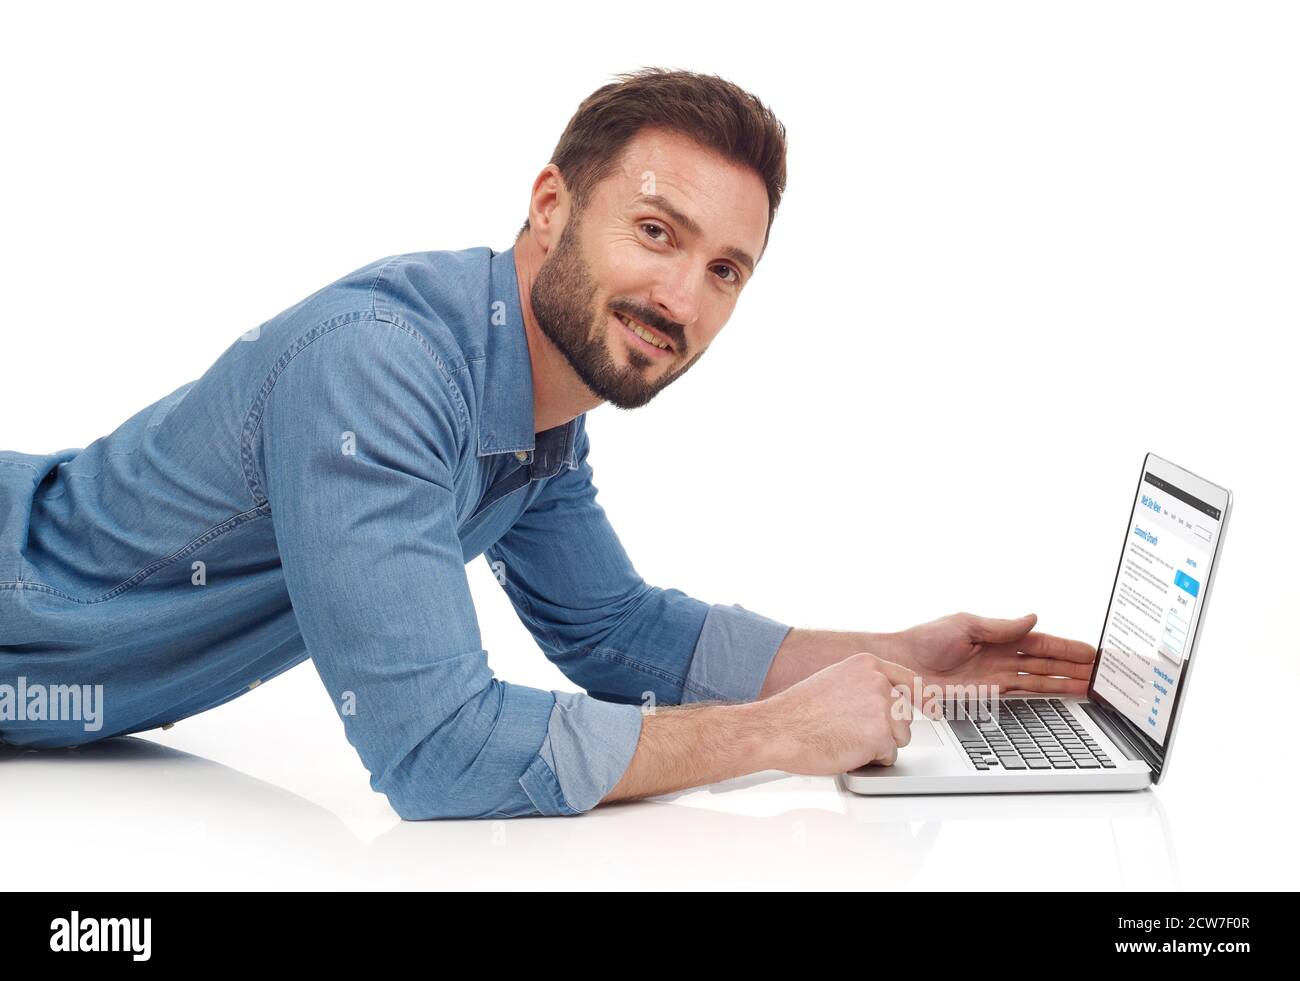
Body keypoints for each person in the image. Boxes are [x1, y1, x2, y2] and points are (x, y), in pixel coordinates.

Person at [0, 68, 1096, 819]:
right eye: (657, 232)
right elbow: (438, 750)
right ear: (549, 205)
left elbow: (613, 628)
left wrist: (904, 658)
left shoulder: (534, 416)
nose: (681, 296)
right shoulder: (382, 369)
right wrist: (778, 736)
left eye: (725, 270)